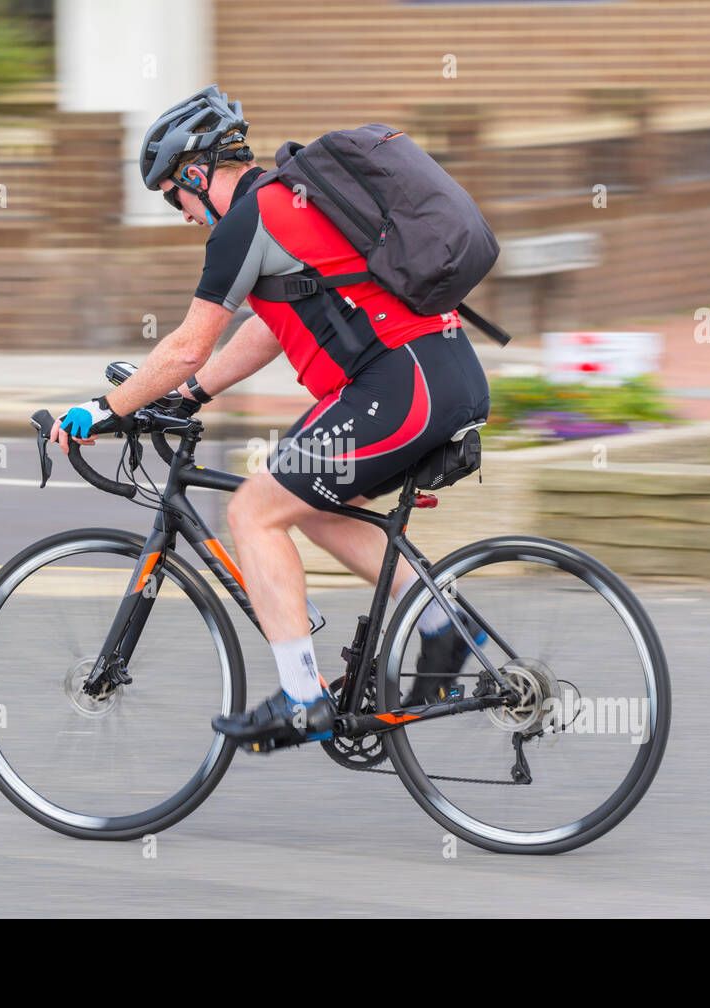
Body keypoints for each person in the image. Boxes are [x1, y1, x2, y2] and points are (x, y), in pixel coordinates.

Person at [49, 85, 489, 751]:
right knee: (312, 505)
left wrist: (104, 409)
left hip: (400, 386)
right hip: (441, 375)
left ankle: (303, 698)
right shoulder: (292, 201)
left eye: (174, 195)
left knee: (254, 510)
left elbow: (188, 342)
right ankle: (443, 625)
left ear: (195, 173)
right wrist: (193, 394)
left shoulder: (246, 221)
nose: (182, 214)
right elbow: (270, 324)